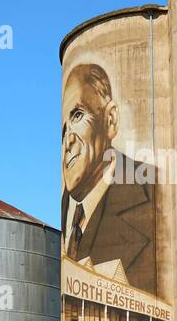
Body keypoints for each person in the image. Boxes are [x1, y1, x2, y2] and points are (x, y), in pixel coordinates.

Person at [61, 63, 157, 294]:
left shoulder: (151, 187)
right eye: (63, 130)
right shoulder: (66, 216)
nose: (67, 141)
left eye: (78, 115)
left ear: (111, 120)